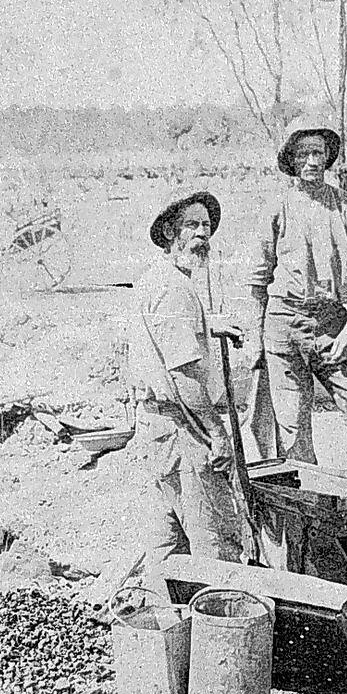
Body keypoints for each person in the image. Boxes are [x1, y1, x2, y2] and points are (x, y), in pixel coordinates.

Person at [245, 125, 347, 478]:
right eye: (303, 153)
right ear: (291, 160)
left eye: (318, 152)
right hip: (283, 325)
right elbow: (258, 283)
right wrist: (257, 341)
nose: (311, 161)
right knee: (290, 430)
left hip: (333, 323)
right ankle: (307, 500)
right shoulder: (276, 208)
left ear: (327, 158)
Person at [128, 189, 246, 564]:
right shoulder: (173, 289)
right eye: (191, 225)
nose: (202, 234)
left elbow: (167, 333)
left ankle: (161, 602)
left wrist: (209, 327)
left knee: (167, 545)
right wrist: (217, 434)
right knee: (216, 540)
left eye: (206, 226)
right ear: (169, 233)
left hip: (155, 428)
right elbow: (184, 375)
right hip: (183, 431)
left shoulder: (155, 279)